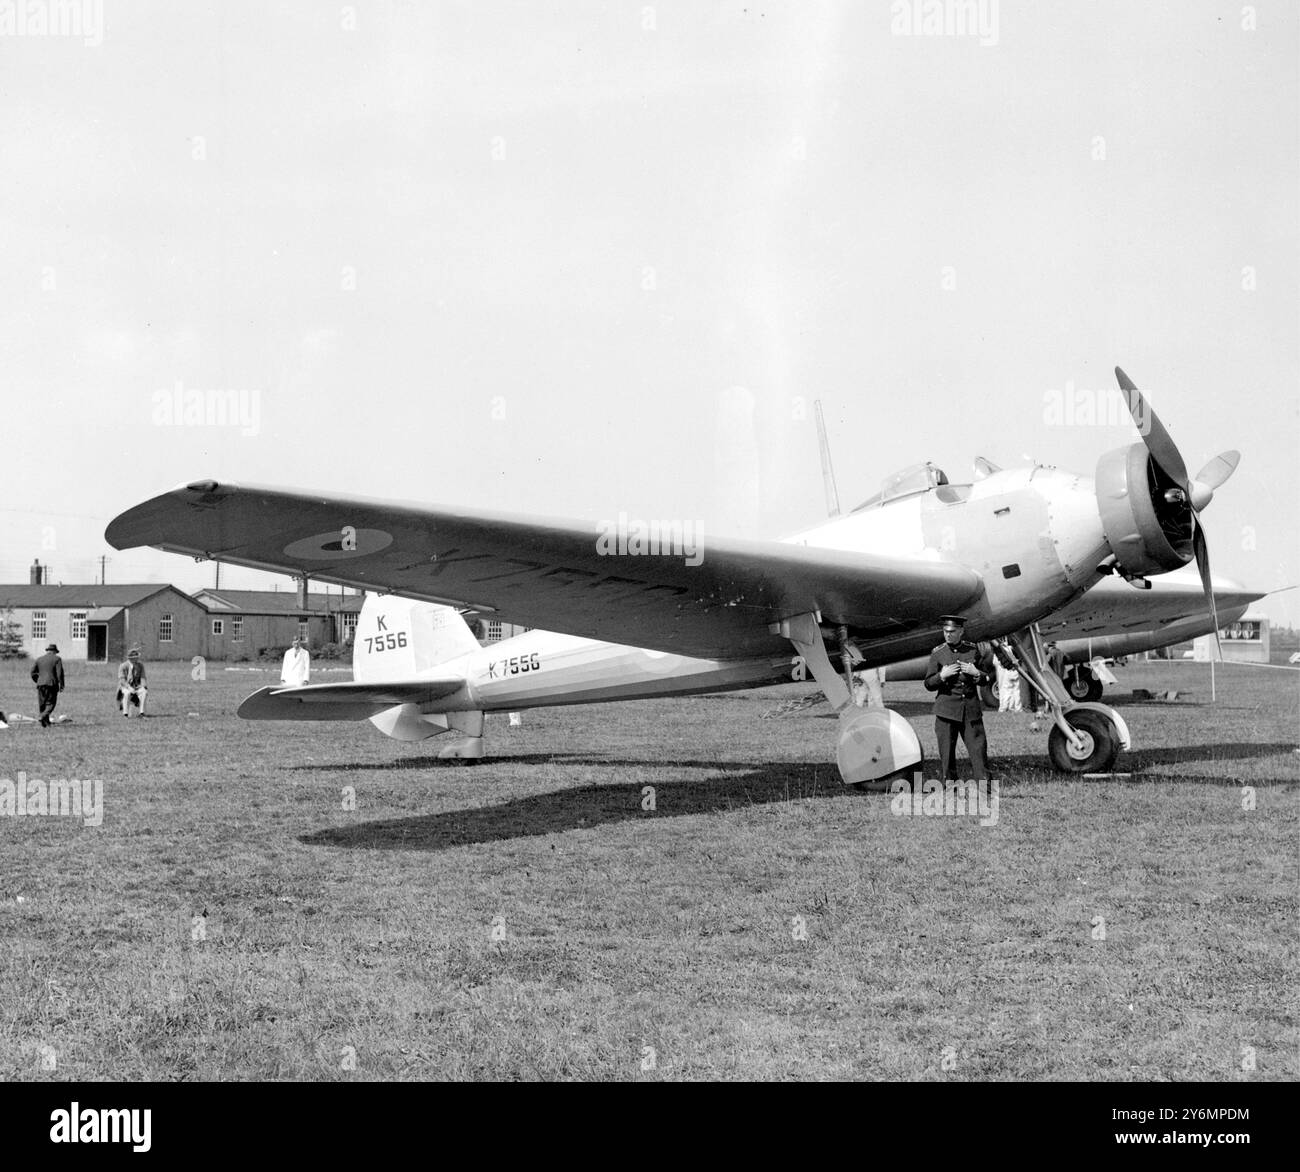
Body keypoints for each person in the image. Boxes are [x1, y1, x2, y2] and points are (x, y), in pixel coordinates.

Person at [923, 615, 994, 780]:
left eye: (952, 631)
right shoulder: (938, 653)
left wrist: (976, 673)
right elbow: (928, 684)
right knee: (947, 754)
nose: (948, 634)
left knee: (978, 751)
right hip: (946, 712)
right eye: (945, 631)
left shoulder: (972, 650)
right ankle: (951, 789)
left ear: (961, 631)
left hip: (970, 710)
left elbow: (986, 678)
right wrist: (942, 676)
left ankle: (985, 790)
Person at [31, 642, 65, 727]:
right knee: (50, 703)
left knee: (42, 704)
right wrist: (61, 684)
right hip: (51, 684)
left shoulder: (39, 659)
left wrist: (38, 680)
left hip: (40, 684)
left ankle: (45, 723)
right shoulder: (57, 659)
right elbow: (59, 673)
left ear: (48, 651)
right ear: (54, 651)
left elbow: (32, 672)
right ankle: (42, 717)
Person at [117, 647, 148, 717]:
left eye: (137, 657)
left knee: (144, 692)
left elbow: (143, 677)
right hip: (125, 686)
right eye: (134, 657)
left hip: (137, 686)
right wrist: (129, 687)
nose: (136, 659)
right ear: (129, 658)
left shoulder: (140, 665)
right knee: (127, 693)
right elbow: (122, 680)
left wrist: (143, 686)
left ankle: (141, 713)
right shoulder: (123, 666)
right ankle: (125, 713)